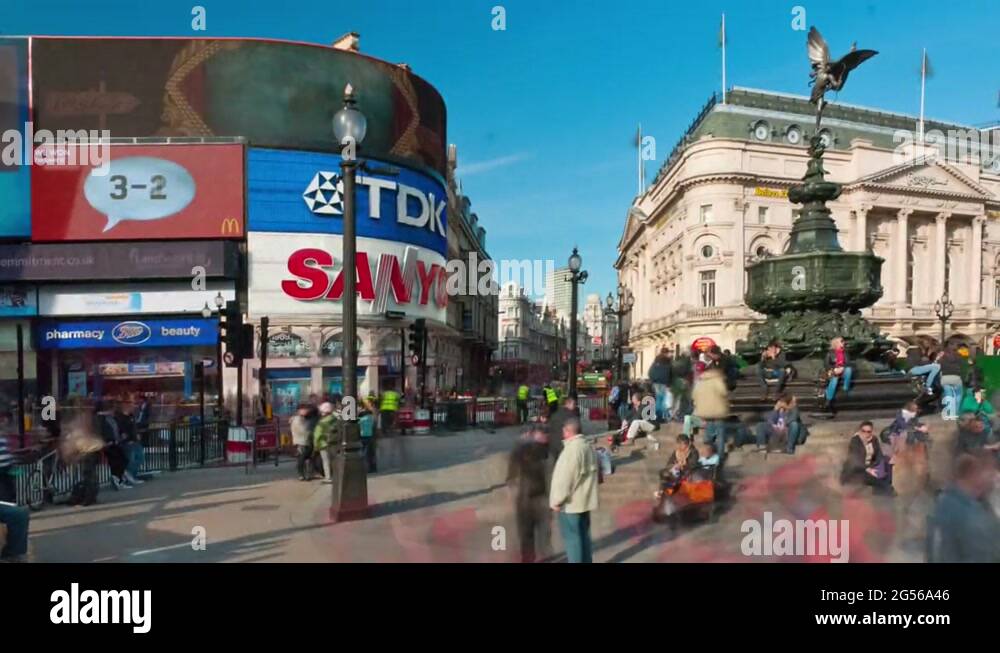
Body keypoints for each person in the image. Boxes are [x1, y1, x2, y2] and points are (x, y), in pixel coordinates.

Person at [927, 453, 1000, 563]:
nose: (995, 476)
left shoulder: (983, 505)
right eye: (990, 470)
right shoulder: (948, 510)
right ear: (974, 473)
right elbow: (939, 554)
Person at [549, 418, 598, 563]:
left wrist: (557, 501)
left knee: (572, 541)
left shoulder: (571, 450)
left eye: (563, 430)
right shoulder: (588, 446)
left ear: (568, 431)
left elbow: (565, 479)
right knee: (584, 537)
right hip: (585, 501)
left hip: (571, 505)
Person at [507, 424, 551, 563]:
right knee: (540, 531)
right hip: (538, 496)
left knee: (529, 533)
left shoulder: (522, 451)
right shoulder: (540, 450)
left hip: (528, 498)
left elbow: (512, 475)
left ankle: (530, 558)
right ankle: (540, 556)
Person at [840, 421, 892, 495]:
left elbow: (879, 455)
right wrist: (868, 469)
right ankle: (882, 493)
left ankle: (884, 489)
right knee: (882, 484)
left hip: (870, 467)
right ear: (859, 431)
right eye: (863, 431)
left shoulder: (874, 439)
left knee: (887, 462)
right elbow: (856, 460)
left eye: (868, 432)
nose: (865, 434)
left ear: (871, 432)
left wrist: (880, 467)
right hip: (857, 470)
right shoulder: (855, 441)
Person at [692, 366, 730, 458]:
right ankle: (720, 456)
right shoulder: (717, 380)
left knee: (708, 432)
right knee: (720, 434)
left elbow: (694, 395)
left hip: (705, 411)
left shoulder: (700, 381)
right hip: (718, 411)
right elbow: (724, 392)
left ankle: (707, 454)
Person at [97, 401, 131, 490]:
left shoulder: (112, 418)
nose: (113, 411)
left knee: (122, 460)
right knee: (116, 462)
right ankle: (117, 480)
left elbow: (116, 428)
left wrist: (121, 434)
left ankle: (117, 479)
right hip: (109, 444)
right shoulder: (101, 419)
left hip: (116, 442)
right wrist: (106, 441)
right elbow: (101, 431)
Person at [115, 403, 143, 485]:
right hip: (128, 442)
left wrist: (137, 434)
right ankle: (128, 477)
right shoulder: (120, 417)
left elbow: (134, 427)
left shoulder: (131, 416)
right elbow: (121, 430)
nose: (133, 407)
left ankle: (131, 476)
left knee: (140, 458)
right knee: (131, 460)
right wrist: (125, 438)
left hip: (135, 441)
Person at [823, 337, 853, 414]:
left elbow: (848, 363)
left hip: (843, 370)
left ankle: (845, 388)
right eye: (841, 341)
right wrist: (834, 369)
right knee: (834, 379)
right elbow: (826, 365)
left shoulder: (845, 352)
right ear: (836, 343)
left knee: (849, 369)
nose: (844, 342)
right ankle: (828, 400)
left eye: (843, 341)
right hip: (834, 371)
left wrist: (842, 368)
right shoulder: (830, 353)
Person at [547, 394, 580, 459]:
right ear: (571, 403)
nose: (575, 407)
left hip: (552, 446)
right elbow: (577, 432)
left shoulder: (555, 414)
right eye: (575, 404)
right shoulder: (572, 416)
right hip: (564, 447)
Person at [312, 402, 337, 483]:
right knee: (334, 460)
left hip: (323, 444)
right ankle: (336, 475)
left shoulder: (321, 423)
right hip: (334, 443)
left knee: (325, 461)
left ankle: (328, 477)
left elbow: (317, 435)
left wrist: (315, 445)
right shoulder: (335, 419)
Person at [647, 348, 674, 422]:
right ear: (666, 353)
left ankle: (656, 416)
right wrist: (669, 383)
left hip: (656, 383)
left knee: (658, 400)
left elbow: (650, 372)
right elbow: (671, 373)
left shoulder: (656, 361)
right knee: (663, 401)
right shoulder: (668, 361)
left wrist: (653, 380)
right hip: (664, 383)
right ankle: (662, 417)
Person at [939, 346, 964, 421]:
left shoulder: (943, 358)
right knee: (958, 395)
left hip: (945, 378)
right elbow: (962, 365)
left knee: (948, 395)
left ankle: (949, 413)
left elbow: (938, 365)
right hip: (956, 378)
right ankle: (955, 413)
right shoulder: (958, 357)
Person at [290, 404, 313, 481]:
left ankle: (305, 474)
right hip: (301, 442)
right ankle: (302, 474)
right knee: (302, 458)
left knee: (304, 458)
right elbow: (302, 431)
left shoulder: (304, 419)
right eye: (304, 409)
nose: (306, 411)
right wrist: (310, 432)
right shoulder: (297, 420)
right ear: (299, 411)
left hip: (305, 441)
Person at [359, 405, 376, 473]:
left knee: (363, 453)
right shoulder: (372, 419)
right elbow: (374, 427)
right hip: (370, 436)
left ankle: (364, 468)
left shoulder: (360, 420)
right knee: (371, 453)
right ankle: (373, 467)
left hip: (362, 436)